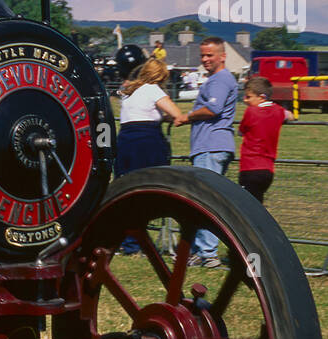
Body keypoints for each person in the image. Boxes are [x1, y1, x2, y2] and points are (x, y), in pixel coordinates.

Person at [175, 36, 238, 268]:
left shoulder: (220, 80)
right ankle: (202, 251)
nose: (205, 59)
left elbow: (213, 108)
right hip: (211, 145)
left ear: (223, 56)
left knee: (206, 201)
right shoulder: (218, 78)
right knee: (206, 199)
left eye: (210, 55)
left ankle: (207, 254)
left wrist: (186, 117)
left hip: (211, 145)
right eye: (202, 55)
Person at [115, 58, 184, 252]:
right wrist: (167, 117)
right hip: (146, 142)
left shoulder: (129, 92)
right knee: (150, 191)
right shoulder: (153, 90)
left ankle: (128, 240)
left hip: (125, 141)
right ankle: (139, 240)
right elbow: (176, 114)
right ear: (161, 76)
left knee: (128, 192)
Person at [238, 74, 293, 203]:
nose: (245, 100)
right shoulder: (278, 110)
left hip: (250, 168)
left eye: (248, 97)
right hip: (267, 169)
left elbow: (241, 132)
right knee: (257, 205)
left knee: (246, 207)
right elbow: (290, 116)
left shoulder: (251, 112)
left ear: (262, 97)